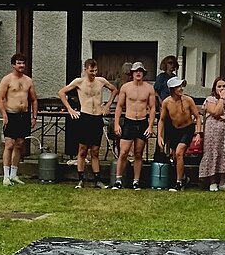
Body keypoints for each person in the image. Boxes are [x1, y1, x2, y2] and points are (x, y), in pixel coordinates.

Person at [59, 59, 115, 187]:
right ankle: (80, 179)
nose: (94, 73)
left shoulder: (101, 81)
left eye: (95, 70)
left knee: (95, 150)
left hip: (97, 118)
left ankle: (97, 180)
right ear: (86, 69)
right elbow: (61, 92)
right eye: (91, 71)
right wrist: (70, 109)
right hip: (85, 117)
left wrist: (107, 106)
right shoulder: (79, 82)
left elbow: (114, 90)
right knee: (82, 150)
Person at [112, 61, 156, 188]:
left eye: (140, 71)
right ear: (132, 73)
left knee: (138, 153)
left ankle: (136, 181)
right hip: (129, 121)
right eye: (136, 71)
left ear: (143, 73)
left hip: (142, 122)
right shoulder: (126, 87)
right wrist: (116, 124)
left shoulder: (149, 88)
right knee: (123, 152)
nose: (138, 73)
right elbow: (119, 106)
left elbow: (152, 108)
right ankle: (118, 179)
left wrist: (150, 126)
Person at [0, 53, 38, 186]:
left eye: (23, 63)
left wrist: (34, 116)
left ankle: (14, 174)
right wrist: (4, 115)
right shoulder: (7, 79)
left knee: (20, 144)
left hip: (24, 115)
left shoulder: (28, 80)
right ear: (13, 65)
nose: (21, 65)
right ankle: (6, 176)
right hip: (11, 114)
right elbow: (0, 98)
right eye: (19, 63)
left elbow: (33, 100)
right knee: (9, 145)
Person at [157, 76, 202, 189]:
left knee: (179, 153)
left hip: (187, 128)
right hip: (174, 129)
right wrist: (159, 136)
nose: (181, 88)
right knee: (175, 157)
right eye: (178, 87)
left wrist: (198, 133)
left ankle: (179, 182)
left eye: (182, 86)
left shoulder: (188, 100)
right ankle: (183, 177)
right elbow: (162, 120)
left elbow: (197, 117)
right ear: (172, 89)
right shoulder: (167, 102)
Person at [199, 77, 225, 191]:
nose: (222, 88)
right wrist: (222, 99)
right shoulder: (210, 99)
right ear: (214, 88)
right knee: (212, 152)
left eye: (224, 86)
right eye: (219, 86)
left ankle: (223, 181)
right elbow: (216, 113)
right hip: (213, 132)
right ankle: (212, 181)